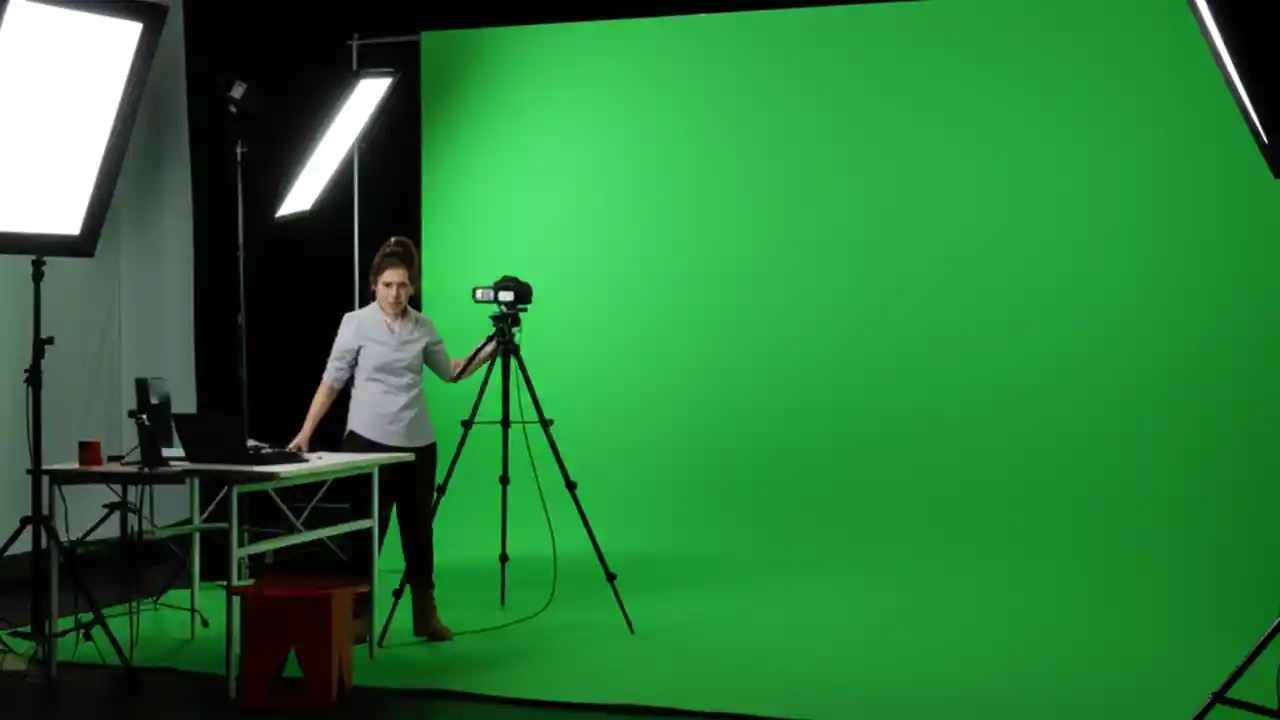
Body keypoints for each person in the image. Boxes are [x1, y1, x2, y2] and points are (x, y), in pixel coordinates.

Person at [287, 236, 495, 643]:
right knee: (368, 528)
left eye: (402, 285)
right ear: (374, 285)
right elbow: (332, 381)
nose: (396, 293)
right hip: (366, 441)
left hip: (418, 443)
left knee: (418, 530)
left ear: (412, 287)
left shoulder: (424, 328)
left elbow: (451, 371)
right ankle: (360, 617)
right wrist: (306, 432)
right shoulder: (355, 323)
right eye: (388, 285)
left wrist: (490, 348)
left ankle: (425, 613)